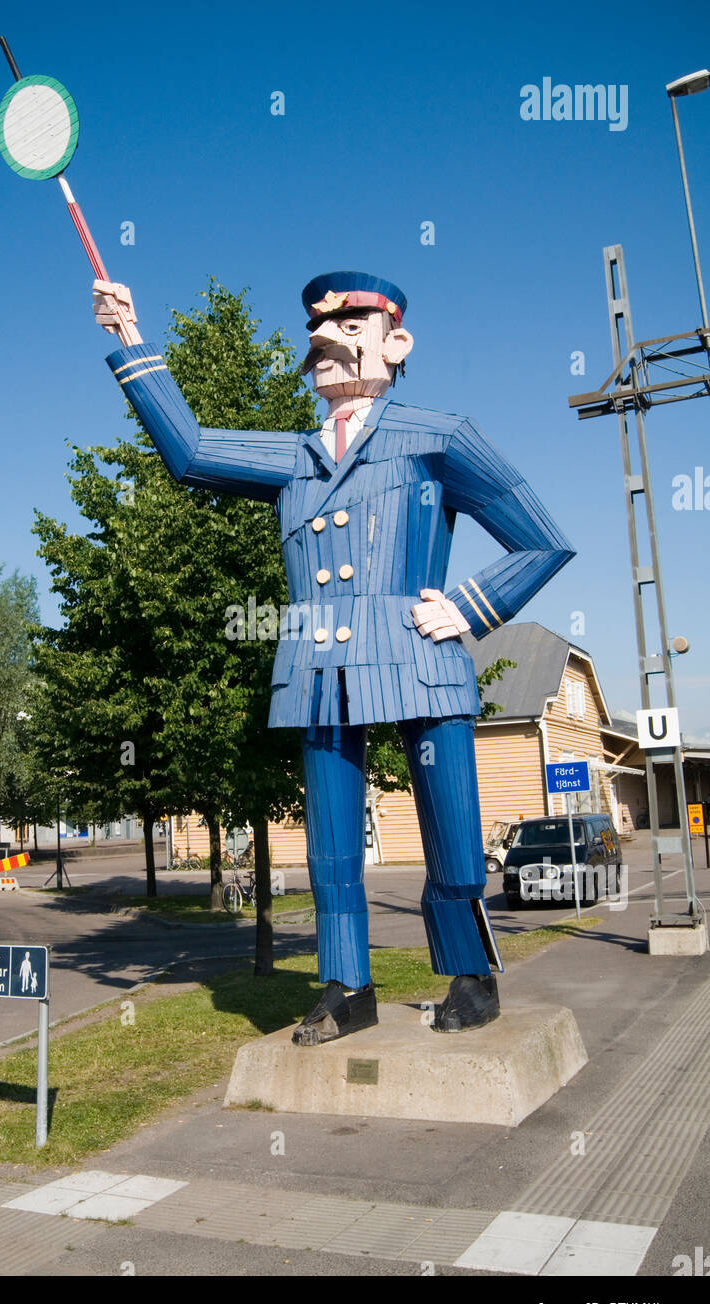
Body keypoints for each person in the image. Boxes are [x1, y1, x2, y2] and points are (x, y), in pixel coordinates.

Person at [93, 271, 574, 1041]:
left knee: (450, 829)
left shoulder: (438, 435)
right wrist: (128, 336)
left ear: (397, 342)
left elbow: (542, 536)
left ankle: (470, 974)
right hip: (319, 667)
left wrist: (470, 608)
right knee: (330, 848)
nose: (326, 339)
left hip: (418, 651)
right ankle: (346, 986)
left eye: (350, 324)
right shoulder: (293, 457)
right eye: (318, 328)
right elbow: (187, 452)